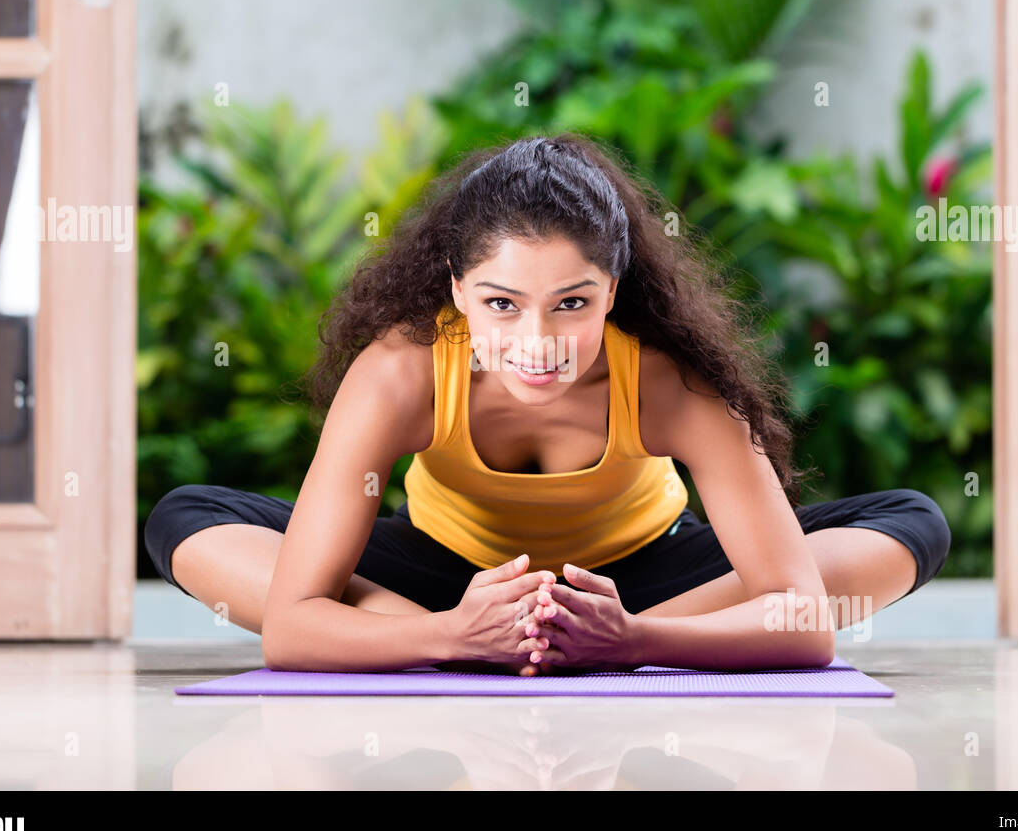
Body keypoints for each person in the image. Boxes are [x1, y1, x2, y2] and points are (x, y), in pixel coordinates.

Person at [144, 133, 951, 675]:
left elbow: (804, 622)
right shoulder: (402, 370)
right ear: (457, 290)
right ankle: (476, 639)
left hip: (641, 583)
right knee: (188, 516)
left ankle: (550, 636)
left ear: (613, 292)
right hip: (446, 578)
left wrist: (634, 638)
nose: (539, 342)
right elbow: (291, 625)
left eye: (571, 303)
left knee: (911, 522)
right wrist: (451, 632)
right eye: (501, 304)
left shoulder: (670, 381)